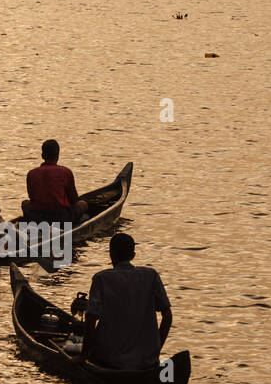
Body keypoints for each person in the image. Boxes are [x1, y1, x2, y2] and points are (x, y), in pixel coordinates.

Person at [81, 233, 172, 371]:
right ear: (133, 255)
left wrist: (83, 356)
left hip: (108, 359)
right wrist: (155, 350)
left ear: (111, 254)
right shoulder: (151, 275)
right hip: (146, 361)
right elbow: (168, 316)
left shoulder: (101, 278)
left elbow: (91, 318)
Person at [21, 139, 88, 225]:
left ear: (42, 155)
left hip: (37, 217)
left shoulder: (31, 173)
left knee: (25, 203)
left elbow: (32, 198)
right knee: (83, 204)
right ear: (57, 155)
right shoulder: (66, 172)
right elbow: (74, 200)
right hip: (61, 218)